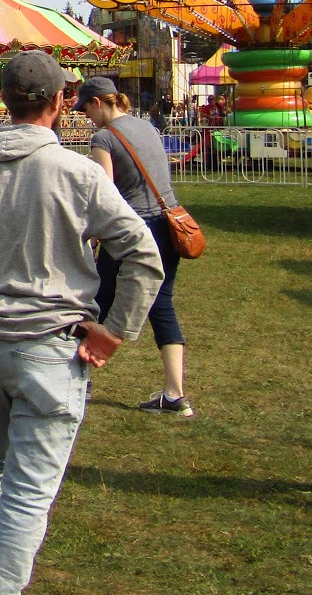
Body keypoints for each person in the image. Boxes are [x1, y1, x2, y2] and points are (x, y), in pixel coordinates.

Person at [0, 50, 163, 595]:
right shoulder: (76, 172)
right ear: (60, 103)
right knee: (28, 490)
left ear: (5, 100)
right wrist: (117, 330)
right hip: (48, 348)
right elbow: (142, 253)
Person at [77, 76, 194, 417]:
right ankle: (175, 394)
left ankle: (78, 381)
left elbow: (105, 196)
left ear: (99, 102)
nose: (86, 116)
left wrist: (92, 236)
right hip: (167, 226)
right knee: (162, 306)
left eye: (86, 108)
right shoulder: (146, 128)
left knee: (93, 302)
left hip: (131, 233)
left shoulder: (104, 138)